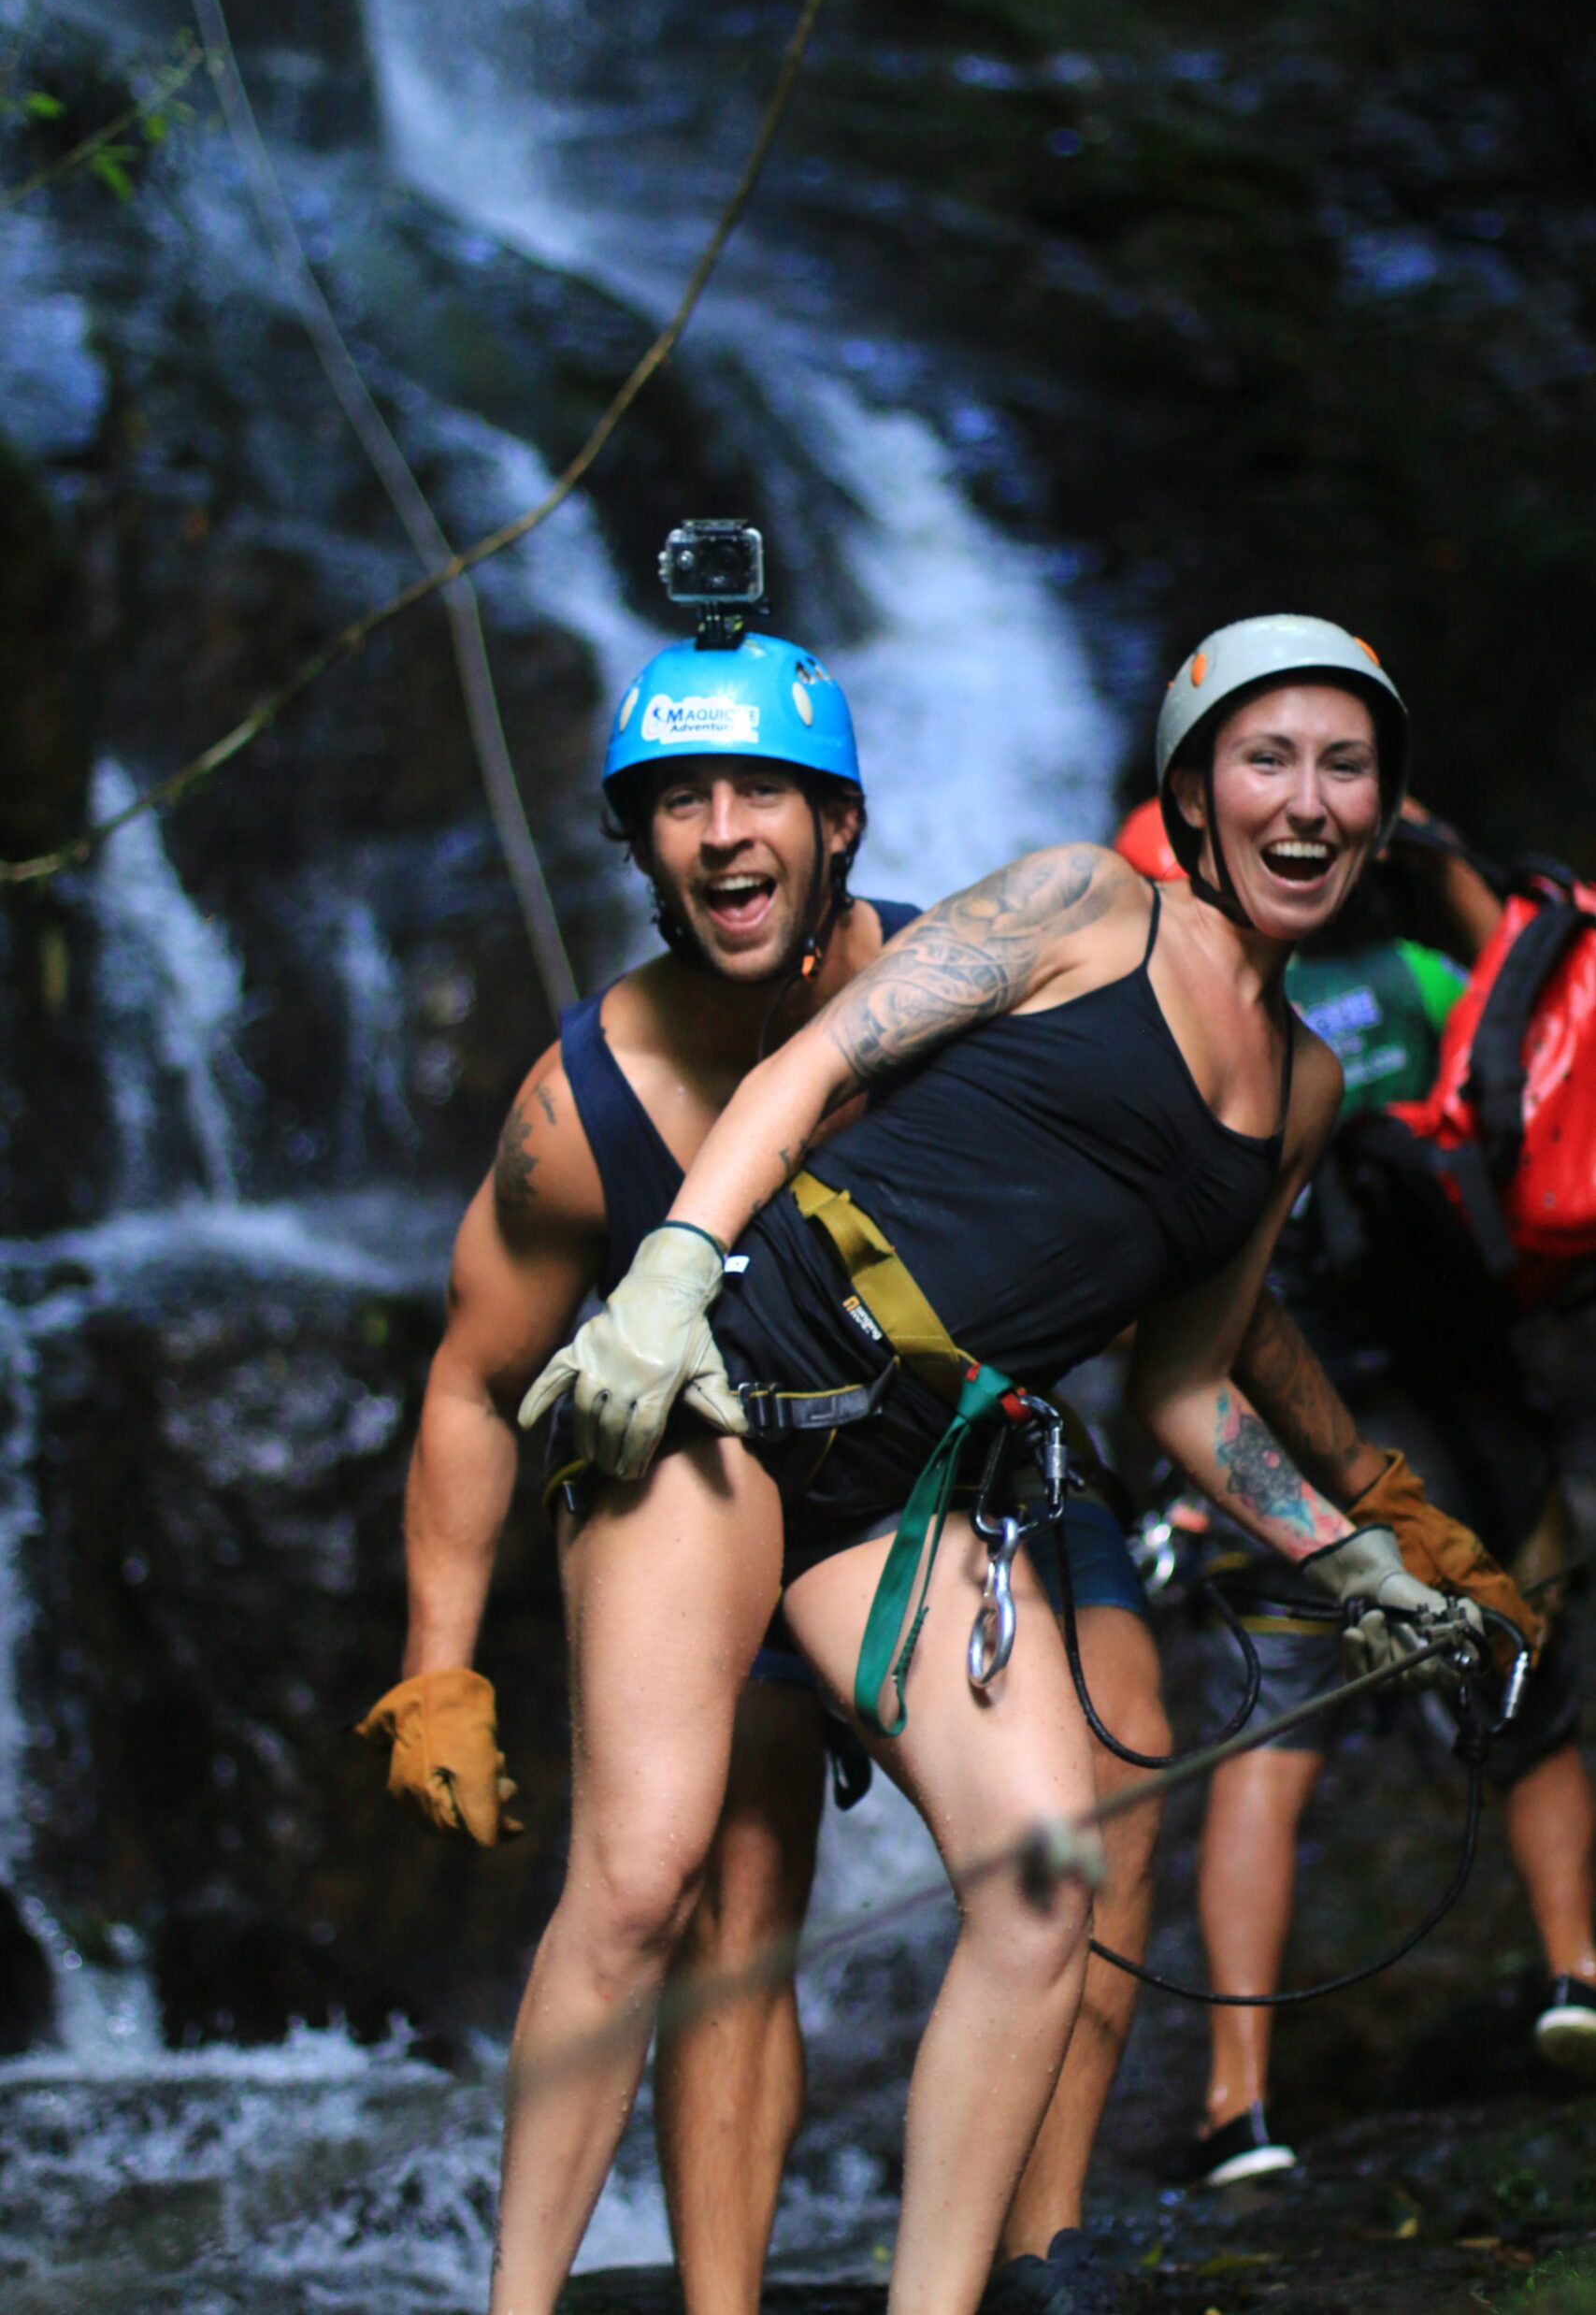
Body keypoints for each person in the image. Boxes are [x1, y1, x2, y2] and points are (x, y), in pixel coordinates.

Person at [504, 614, 1504, 2315]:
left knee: (1050, 1876)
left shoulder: (1308, 1085)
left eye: (1347, 767)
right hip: (737, 1381)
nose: (1308, 800)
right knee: (647, 1872)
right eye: (1268, 760)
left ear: (1385, 812)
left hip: (924, 1474)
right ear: (1193, 796)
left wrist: (1357, 1565)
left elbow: (1188, 1381)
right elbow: (818, 1057)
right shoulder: (1080, 909)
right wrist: (669, 1273)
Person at [359, 594, 1186, 2315]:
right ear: (640, 847)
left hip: (935, 1477)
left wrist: (1342, 1502)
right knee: (706, 1884)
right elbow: (467, 1378)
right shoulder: (580, 1100)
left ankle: (1031, 2264)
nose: (724, 832)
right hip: (706, 1472)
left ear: (842, 824)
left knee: (1087, 1814)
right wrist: (436, 1664)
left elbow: (1169, 1197)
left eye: (763, 795)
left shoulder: (967, 1003)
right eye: (681, 801)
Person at [1106, 799, 1596, 2186]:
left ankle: (1237, 2105)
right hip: (1466, 1407)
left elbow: (1158, 1302)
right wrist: (1437, 844)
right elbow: (1526, 1005)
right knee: (1530, 1690)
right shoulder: (1412, 985)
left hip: (1286, 1431)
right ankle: (1579, 1972)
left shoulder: (1175, 1039)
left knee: (1271, 1747)